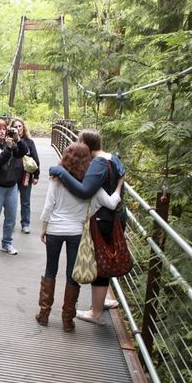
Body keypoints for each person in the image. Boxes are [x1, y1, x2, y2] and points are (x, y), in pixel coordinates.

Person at [36, 142, 124, 332]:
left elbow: (49, 205)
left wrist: (44, 227)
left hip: (55, 230)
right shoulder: (90, 184)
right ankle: (68, 320)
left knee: (50, 269)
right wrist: (119, 184)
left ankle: (44, 314)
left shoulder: (56, 179)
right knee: (72, 275)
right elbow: (108, 204)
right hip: (76, 232)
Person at [0, 118, 28, 256]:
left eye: (4, 129)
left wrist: (18, 139)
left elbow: (23, 152)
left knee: (11, 217)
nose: (2, 132)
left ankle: (7, 243)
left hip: (12, 186)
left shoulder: (10, 142)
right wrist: (8, 148)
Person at [10, 118, 39, 234]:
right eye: (15, 127)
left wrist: (36, 175)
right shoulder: (8, 141)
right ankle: (10, 223)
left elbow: (35, 159)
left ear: (23, 127)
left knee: (25, 201)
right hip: (11, 176)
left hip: (25, 176)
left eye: (20, 126)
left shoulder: (29, 142)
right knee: (11, 201)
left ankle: (25, 224)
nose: (18, 129)